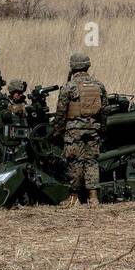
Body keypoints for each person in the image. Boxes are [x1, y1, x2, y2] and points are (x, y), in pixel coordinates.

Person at [51, 53, 107, 208]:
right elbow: (104, 111)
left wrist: (57, 132)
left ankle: (74, 197)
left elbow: (61, 112)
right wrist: (102, 129)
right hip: (93, 130)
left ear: (73, 66)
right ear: (88, 66)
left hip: (74, 131)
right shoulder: (98, 85)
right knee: (92, 161)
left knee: (75, 162)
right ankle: (93, 198)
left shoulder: (69, 86)